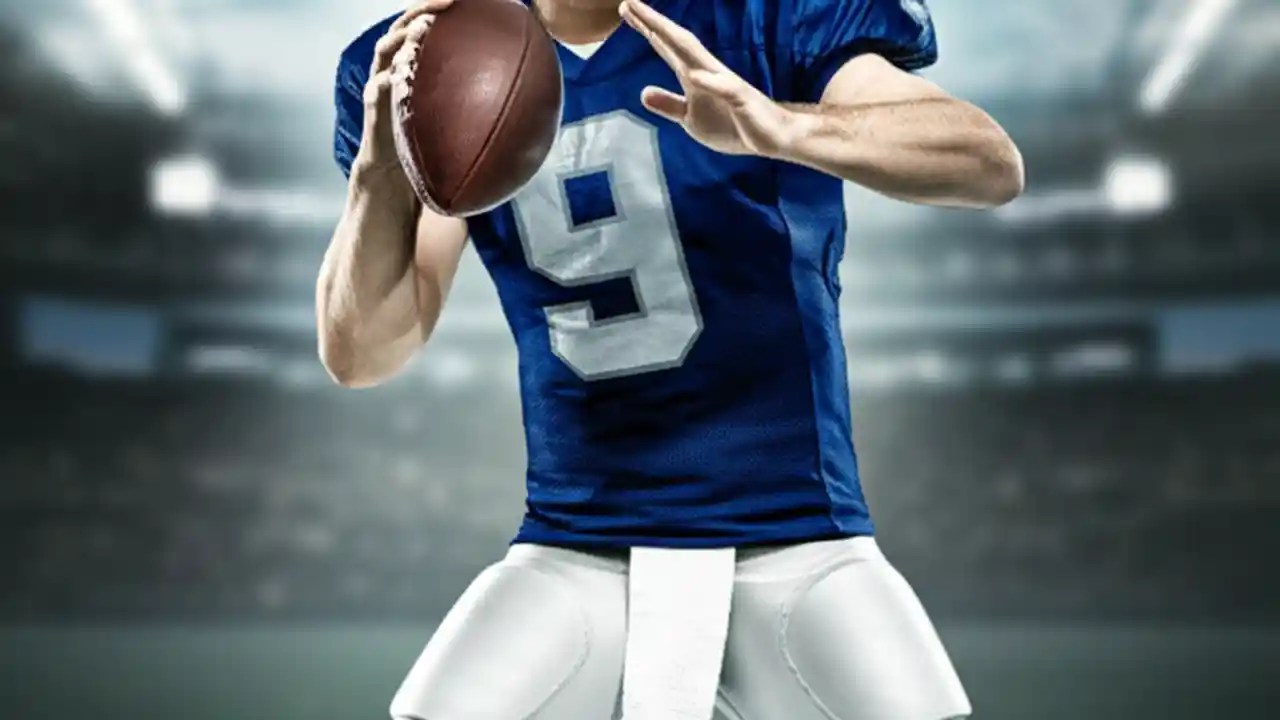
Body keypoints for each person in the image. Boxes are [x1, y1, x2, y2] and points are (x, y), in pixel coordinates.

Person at [320, 0, 1023, 717]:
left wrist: (783, 126)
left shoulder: (768, 16)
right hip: (576, 542)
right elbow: (363, 351)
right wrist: (381, 167)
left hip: (797, 537)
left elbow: (987, 160)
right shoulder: (431, 53)